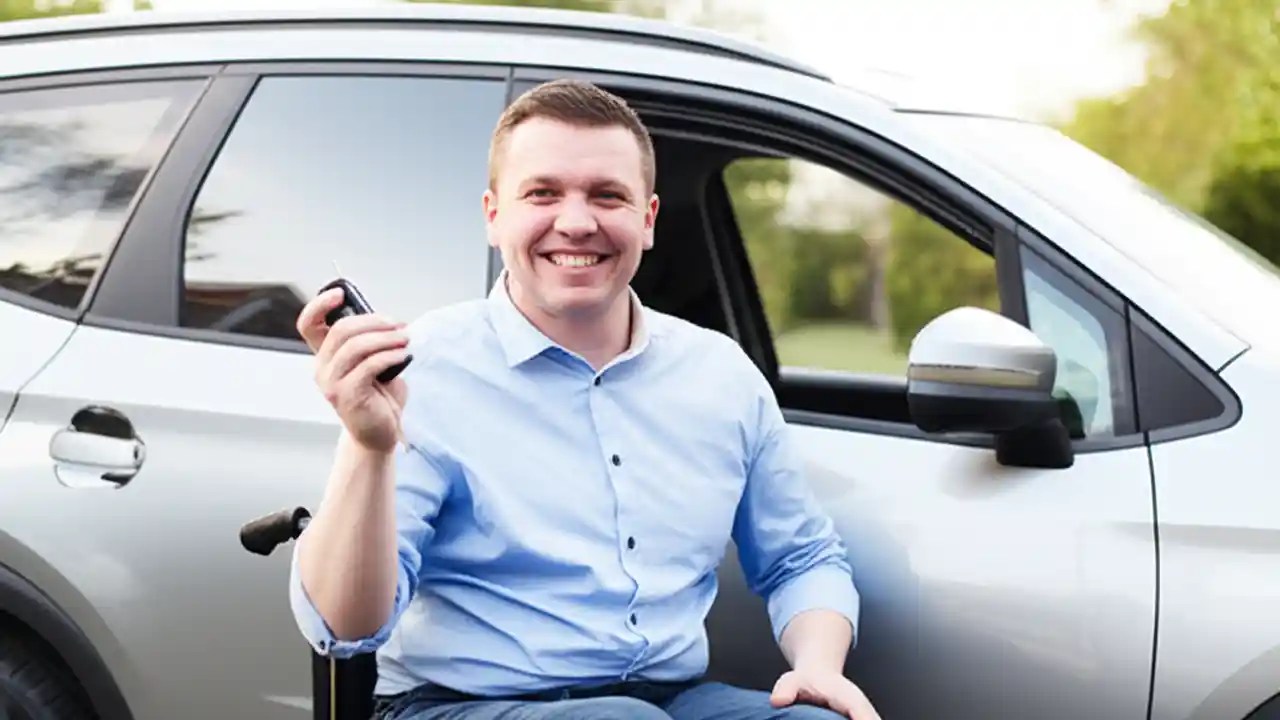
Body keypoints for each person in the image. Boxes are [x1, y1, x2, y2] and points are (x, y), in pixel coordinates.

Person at [290, 78, 880, 720]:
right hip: (460, 705)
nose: (576, 222)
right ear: (494, 215)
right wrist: (368, 447)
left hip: (671, 700)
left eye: (607, 196)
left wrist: (817, 667)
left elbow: (803, 557)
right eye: (542, 193)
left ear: (647, 220)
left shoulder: (720, 375)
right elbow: (342, 630)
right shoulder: (423, 369)